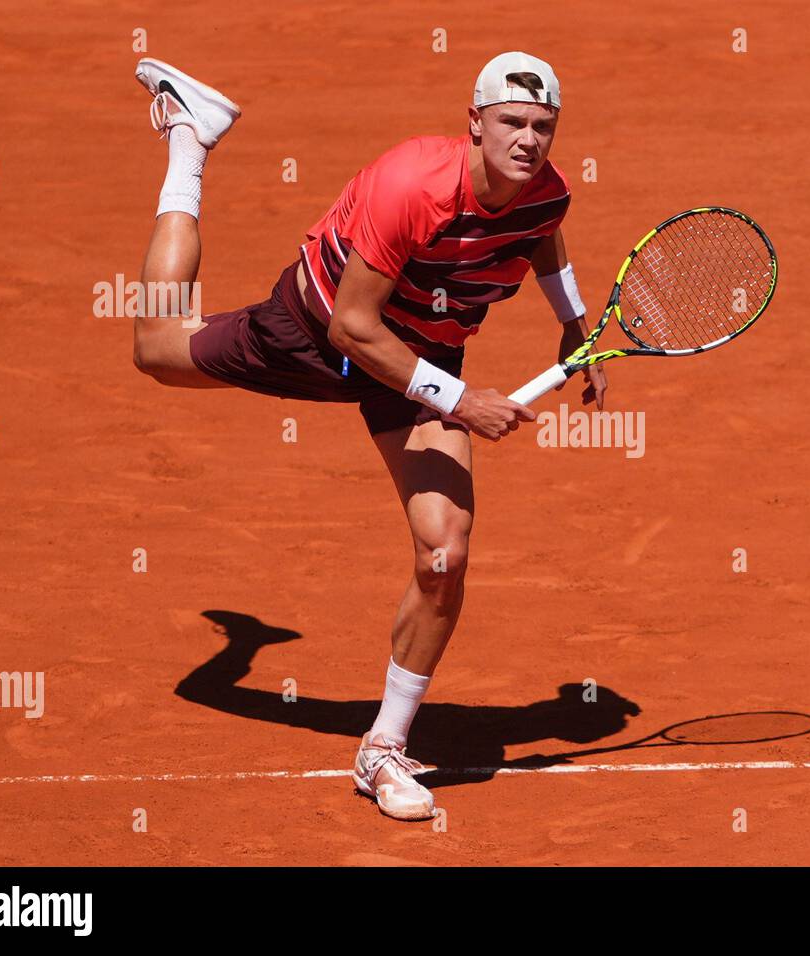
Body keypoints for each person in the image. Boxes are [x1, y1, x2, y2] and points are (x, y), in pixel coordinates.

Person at [131, 51, 607, 821]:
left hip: (416, 358)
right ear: (475, 123)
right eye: (511, 123)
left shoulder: (543, 191)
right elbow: (355, 329)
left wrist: (572, 324)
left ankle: (383, 748)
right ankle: (190, 139)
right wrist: (463, 401)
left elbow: (544, 233)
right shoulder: (410, 186)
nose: (527, 140)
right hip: (316, 335)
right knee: (155, 348)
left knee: (443, 550)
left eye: (542, 127)